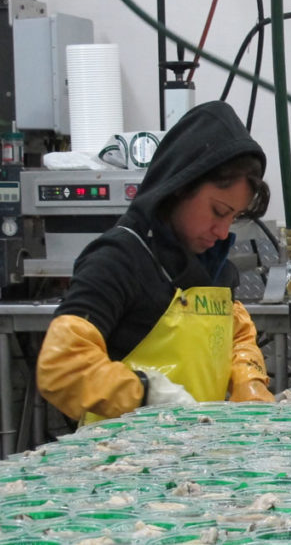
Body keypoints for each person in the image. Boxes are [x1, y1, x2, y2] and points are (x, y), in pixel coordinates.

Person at [37, 100, 274, 423]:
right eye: (218, 211)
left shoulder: (213, 268)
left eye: (232, 218)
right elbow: (61, 366)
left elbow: (235, 334)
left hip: (199, 463)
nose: (222, 232)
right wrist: (145, 393)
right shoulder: (118, 261)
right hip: (119, 465)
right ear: (179, 186)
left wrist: (249, 379)